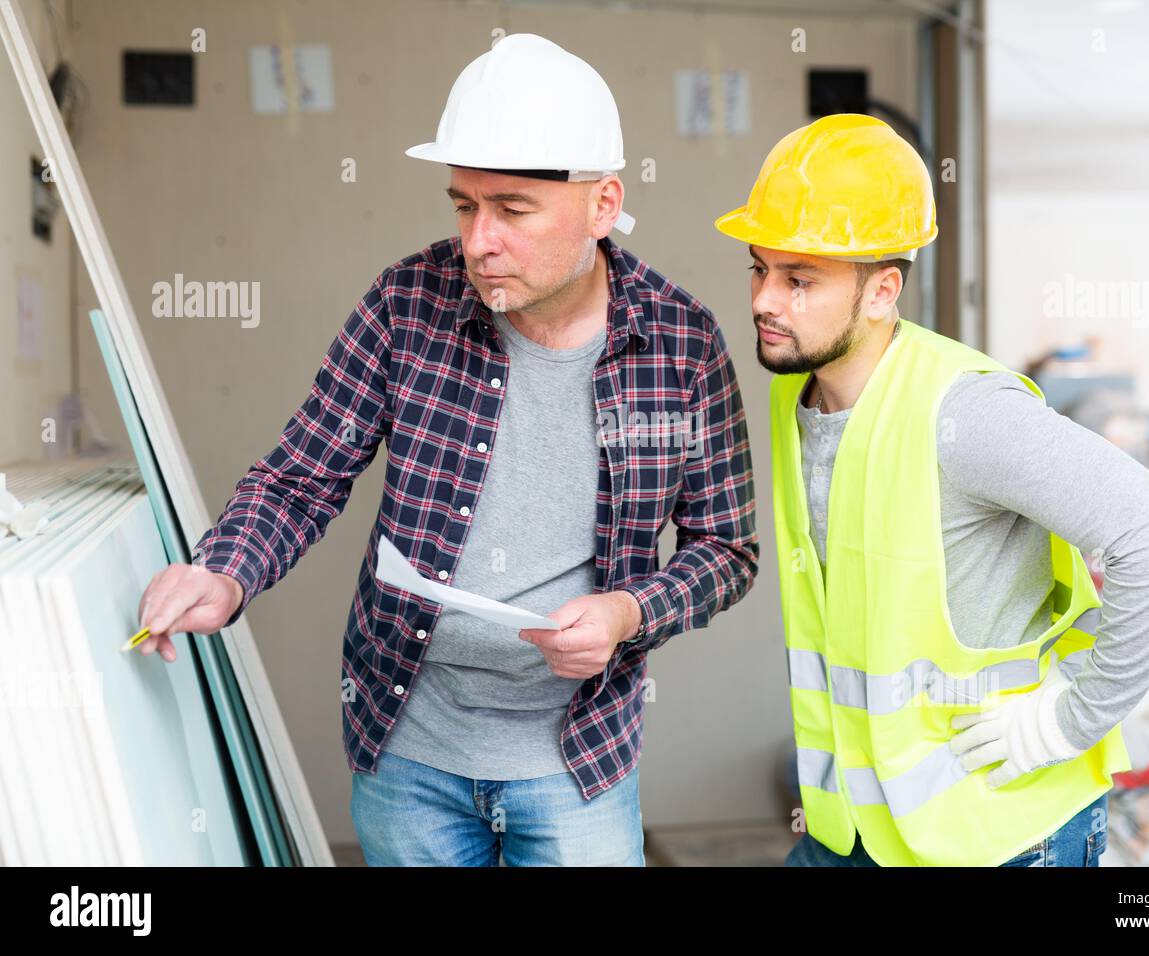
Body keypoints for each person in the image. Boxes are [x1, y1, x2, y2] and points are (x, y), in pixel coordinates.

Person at [136, 33, 758, 867]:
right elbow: (300, 478)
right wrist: (222, 570)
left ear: (603, 205)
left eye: (513, 209)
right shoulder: (408, 303)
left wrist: (629, 613)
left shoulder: (682, 343)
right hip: (408, 749)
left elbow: (727, 548)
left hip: (580, 763)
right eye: (465, 206)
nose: (478, 240)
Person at [713, 113, 1149, 866]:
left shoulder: (965, 414)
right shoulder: (798, 393)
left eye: (799, 279)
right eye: (759, 269)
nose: (764, 300)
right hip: (857, 825)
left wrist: (1067, 721)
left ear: (883, 290)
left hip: (1000, 827)